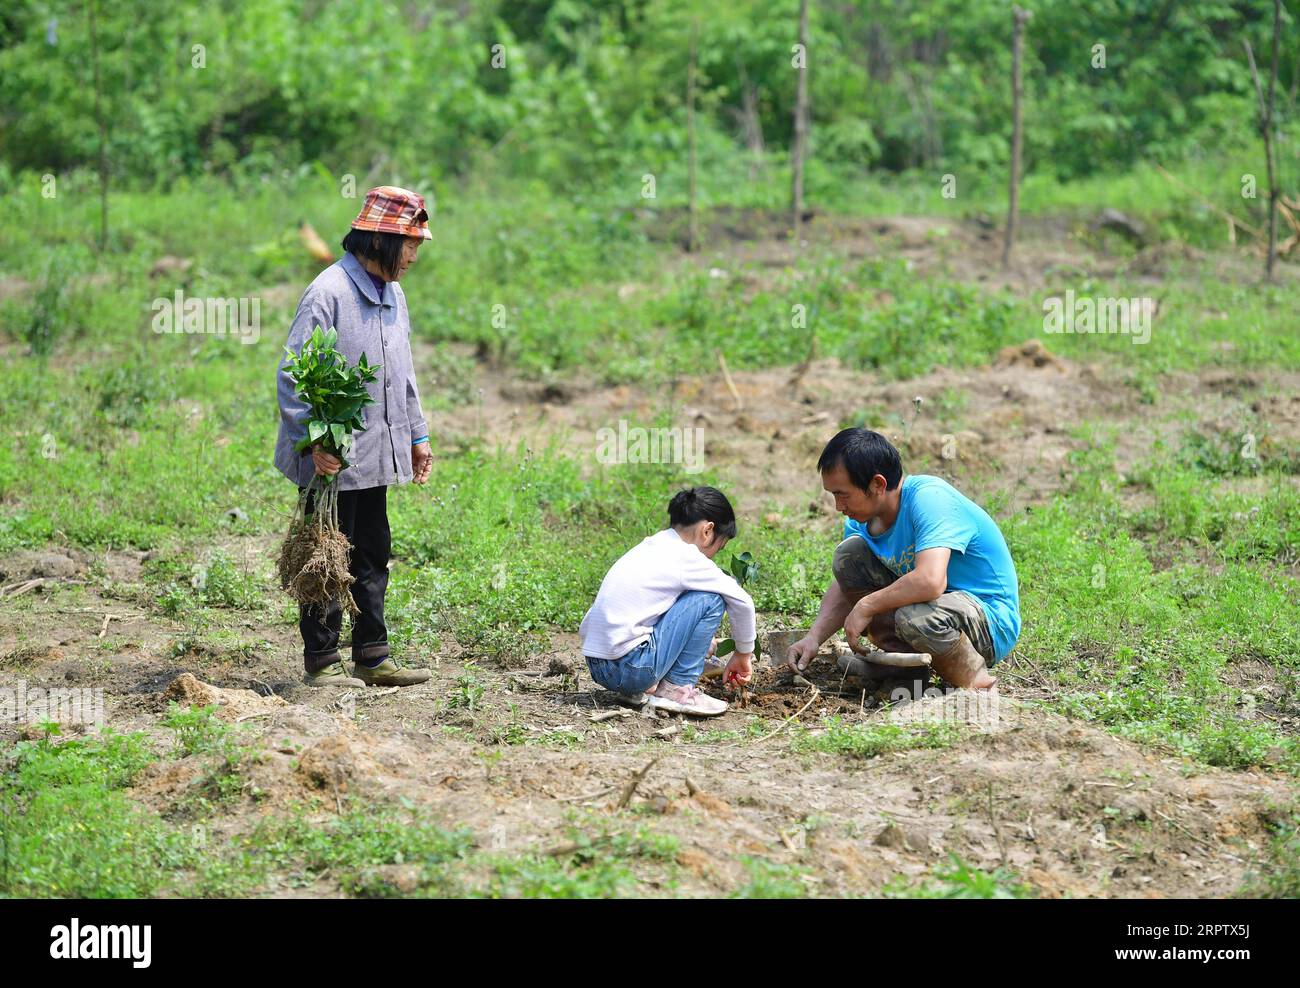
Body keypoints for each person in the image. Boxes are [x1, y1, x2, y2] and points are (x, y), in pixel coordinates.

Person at [274, 186, 435, 689]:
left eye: (417, 247)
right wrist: (314, 441)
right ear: (381, 239)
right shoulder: (329, 293)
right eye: (409, 245)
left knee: (371, 550)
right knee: (327, 555)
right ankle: (322, 662)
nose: (412, 256)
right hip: (333, 459)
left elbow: (402, 372)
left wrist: (417, 433)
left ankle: (372, 655)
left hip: (377, 454)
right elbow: (292, 374)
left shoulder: (393, 292)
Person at [786, 428, 1020, 691]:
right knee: (848, 556)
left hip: (987, 621)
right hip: (931, 612)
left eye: (843, 494)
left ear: (877, 484)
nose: (838, 506)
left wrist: (867, 605)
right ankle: (903, 670)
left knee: (916, 616)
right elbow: (844, 586)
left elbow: (930, 582)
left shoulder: (930, 499)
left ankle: (976, 683)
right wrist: (813, 638)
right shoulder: (862, 521)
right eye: (833, 495)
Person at [580, 487, 756, 717]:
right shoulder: (687, 557)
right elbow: (742, 601)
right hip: (632, 669)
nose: (713, 556)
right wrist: (743, 654)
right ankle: (677, 688)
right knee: (712, 598)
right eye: (718, 548)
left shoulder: (649, 547)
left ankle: (637, 689)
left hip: (598, 665)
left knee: (682, 595)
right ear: (707, 531)